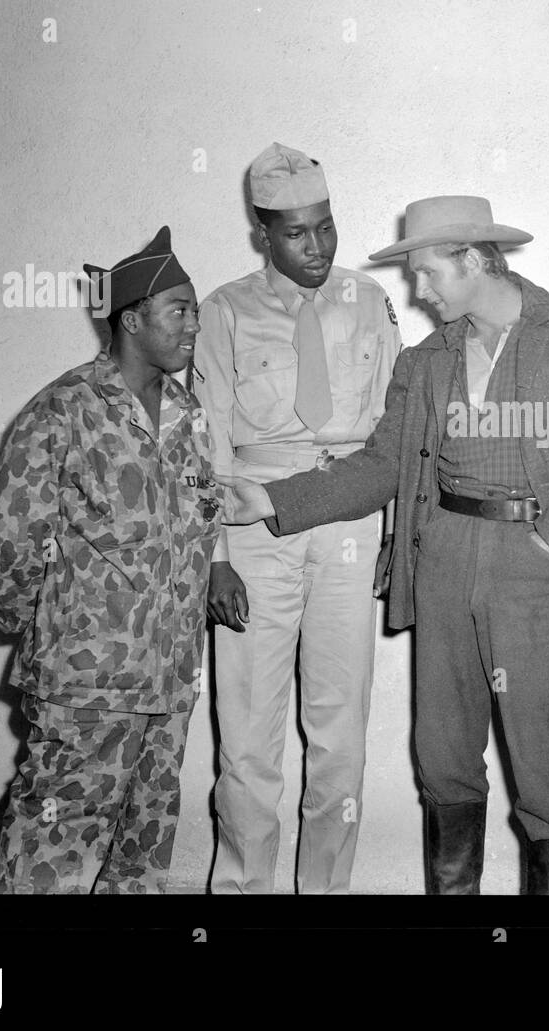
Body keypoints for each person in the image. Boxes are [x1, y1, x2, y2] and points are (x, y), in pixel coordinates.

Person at [216, 195, 549, 894]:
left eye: (426, 272)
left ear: (473, 260)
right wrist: (272, 499)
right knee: (442, 760)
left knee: (542, 767)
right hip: (443, 557)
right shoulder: (427, 359)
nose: (417, 289)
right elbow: (382, 463)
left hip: (531, 568)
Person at [0, 226, 218, 893]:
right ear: (133, 319)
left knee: (139, 852)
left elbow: (198, 524)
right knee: (51, 843)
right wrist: (53, 633)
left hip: (168, 680)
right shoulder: (64, 410)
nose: (194, 324)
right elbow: (7, 538)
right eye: (181, 310)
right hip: (87, 684)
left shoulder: (188, 414)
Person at [194, 143, 401, 894]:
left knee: (339, 735)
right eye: (295, 233)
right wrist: (214, 555)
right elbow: (206, 438)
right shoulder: (222, 312)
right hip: (252, 531)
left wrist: (396, 534)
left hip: (347, 519)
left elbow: (394, 428)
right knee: (247, 734)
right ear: (262, 234)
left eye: (326, 227)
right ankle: (245, 895)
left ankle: (326, 898)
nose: (316, 247)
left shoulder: (369, 303)